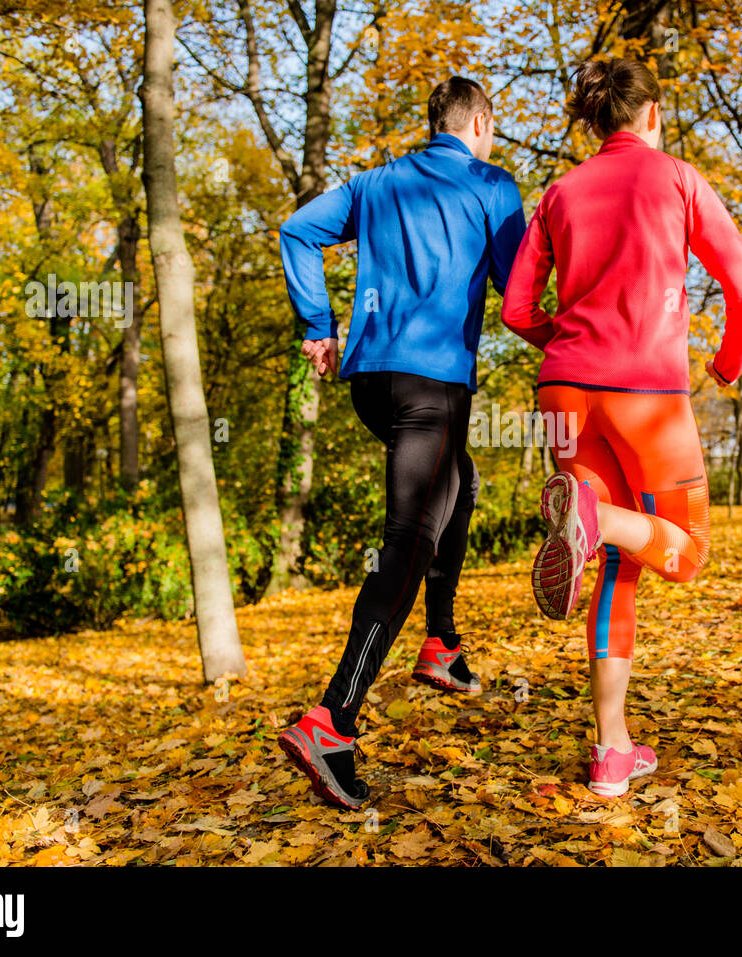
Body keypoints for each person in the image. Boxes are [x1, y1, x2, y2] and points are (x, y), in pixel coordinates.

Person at [501, 57, 742, 798]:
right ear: (652, 114)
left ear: (595, 122)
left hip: (564, 395)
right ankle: (593, 516)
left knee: (618, 560)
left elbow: (517, 310)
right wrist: (727, 364)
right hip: (645, 393)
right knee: (689, 552)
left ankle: (612, 751)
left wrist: (567, 339)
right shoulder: (679, 179)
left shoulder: (559, 192)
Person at [276, 77, 526, 809]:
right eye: (492, 128)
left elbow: (298, 229)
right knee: (410, 542)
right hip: (433, 387)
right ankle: (333, 720)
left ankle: (441, 645)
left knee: (461, 487)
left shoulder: (376, 182)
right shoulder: (491, 185)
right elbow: (516, 294)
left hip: (372, 384)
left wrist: (317, 325)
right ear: (479, 122)